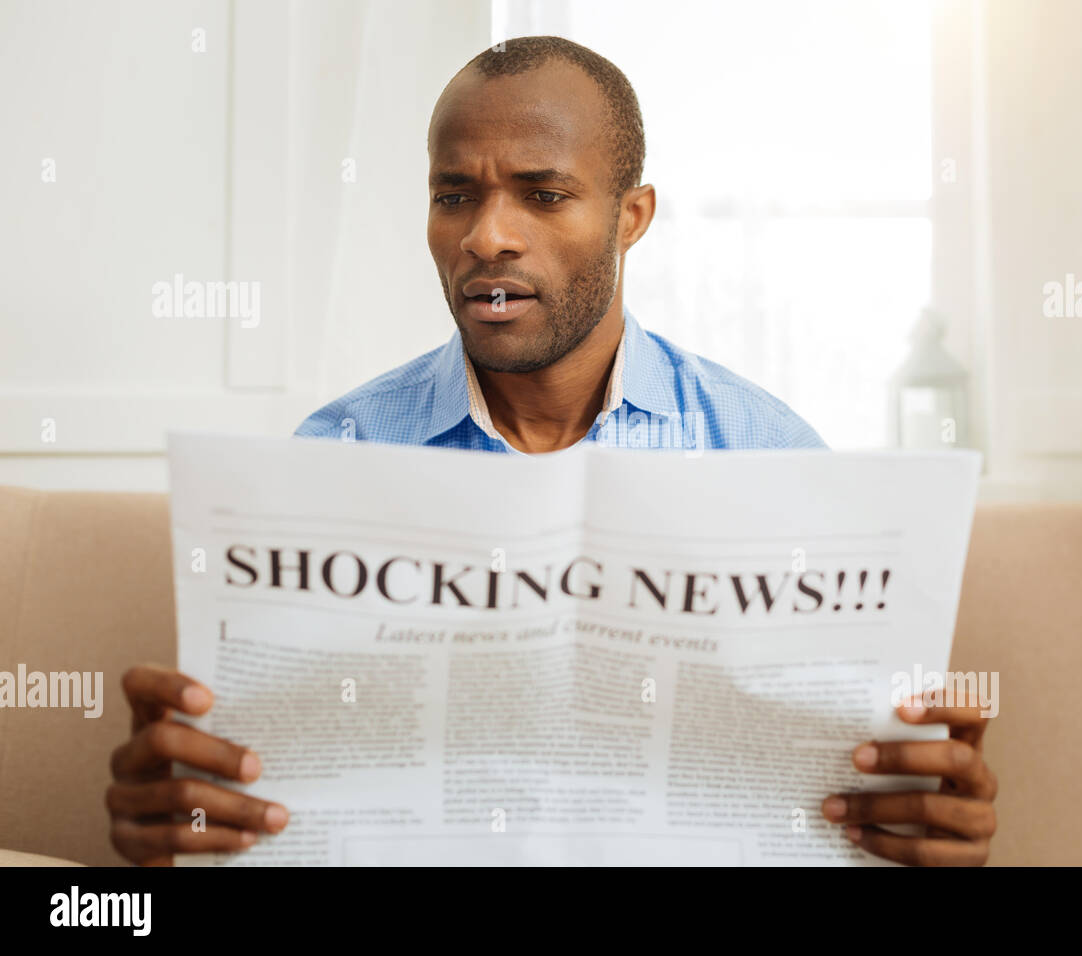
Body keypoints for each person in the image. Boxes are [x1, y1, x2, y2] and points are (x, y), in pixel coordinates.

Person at [107, 36, 996, 866]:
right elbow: (252, 783)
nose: (485, 235)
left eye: (543, 194)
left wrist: (924, 822)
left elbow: (862, 780)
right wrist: (181, 815)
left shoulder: (769, 454)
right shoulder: (336, 453)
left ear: (632, 216)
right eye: (454, 194)